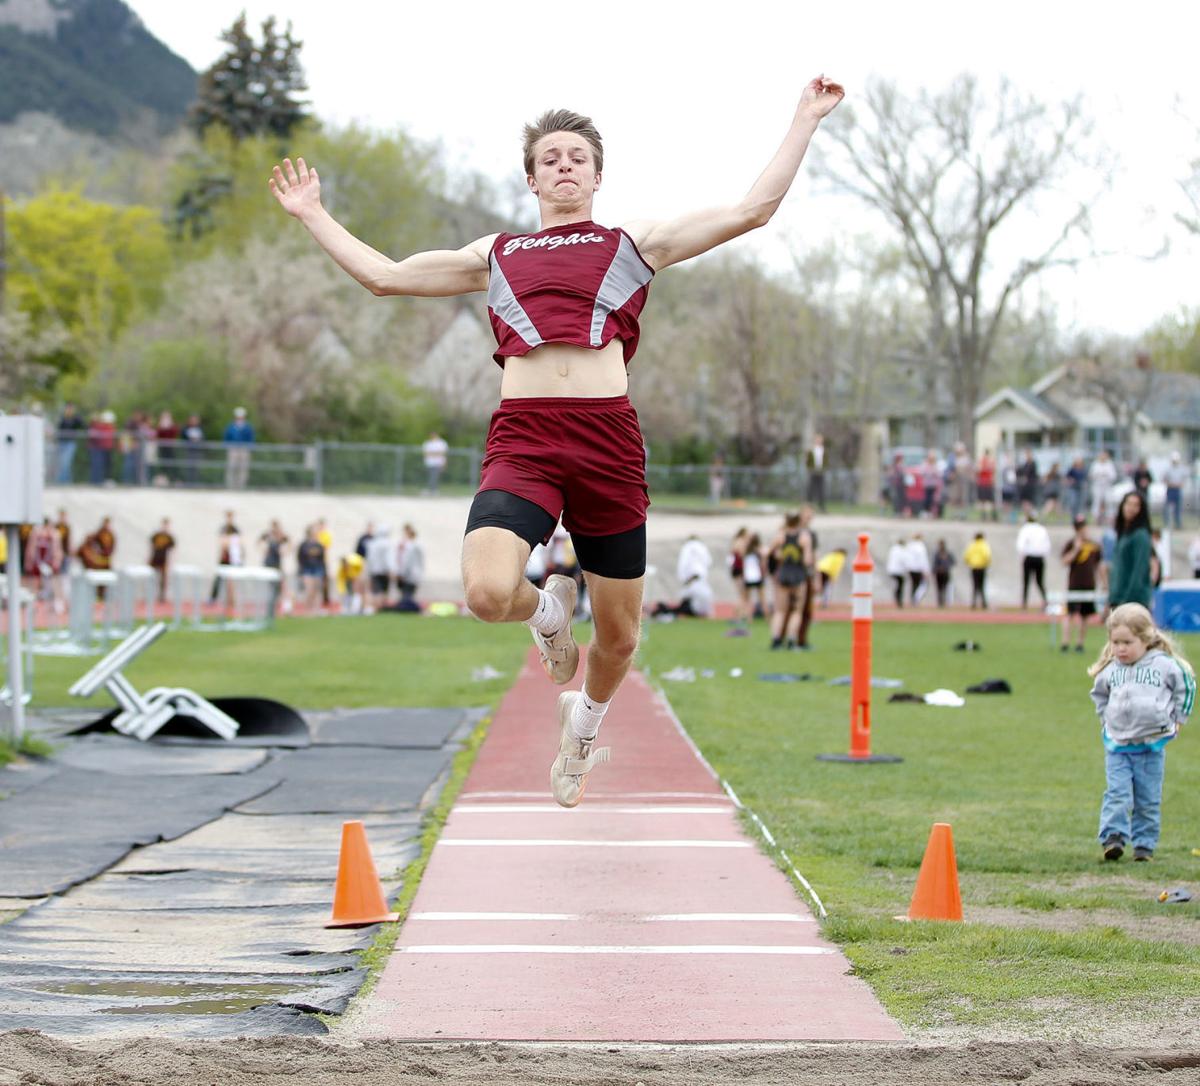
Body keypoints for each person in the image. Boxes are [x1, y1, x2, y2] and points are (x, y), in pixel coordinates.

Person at [269, 76, 845, 807]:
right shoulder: (498, 252)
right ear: (532, 177)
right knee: (484, 593)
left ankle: (583, 724)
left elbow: (752, 211)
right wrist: (314, 213)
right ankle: (547, 613)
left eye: (578, 156)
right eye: (551, 157)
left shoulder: (633, 244)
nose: (565, 165)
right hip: (526, 440)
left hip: (608, 443)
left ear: (598, 175)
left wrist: (803, 118)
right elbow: (385, 277)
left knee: (620, 637)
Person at [1088, 603, 1194, 862]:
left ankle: (1144, 846)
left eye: (1127, 642)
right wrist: (1106, 720)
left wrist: (1178, 719)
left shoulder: (1164, 665)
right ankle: (1113, 838)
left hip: (1151, 746)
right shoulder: (1111, 669)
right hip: (1118, 746)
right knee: (1117, 792)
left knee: (1148, 798)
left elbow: (1187, 686)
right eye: (1115, 642)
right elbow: (1099, 694)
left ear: (1145, 639)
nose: (1120, 649)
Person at [768, 511, 811, 648]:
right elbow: (807, 560)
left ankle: (776, 639)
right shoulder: (804, 537)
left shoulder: (780, 536)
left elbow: (770, 553)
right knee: (796, 611)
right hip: (798, 575)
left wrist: (779, 557)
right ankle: (792, 639)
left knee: (780, 610)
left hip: (783, 575)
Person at [1060, 516, 1103, 653]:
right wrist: (1076, 550)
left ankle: (1080, 643)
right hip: (1074, 584)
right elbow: (1064, 561)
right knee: (1069, 614)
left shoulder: (1094, 545)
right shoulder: (1071, 544)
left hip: (1089, 584)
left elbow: (1099, 565)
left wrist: (1104, 581)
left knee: (1085, 615)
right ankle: (1065, 642)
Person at [1108, 490, 1154, 611]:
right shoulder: (1123, 534)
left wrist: (1127, 601)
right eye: (1128, 503)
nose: (1131, 508)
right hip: (1118, 598)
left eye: (1136, 505)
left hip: (1132, 601)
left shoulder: (1140, 535)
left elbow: (1139, 570)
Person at [1016, 512, 1051, 609]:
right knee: (1040, 581)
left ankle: (1024, 603)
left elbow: (1020, 545)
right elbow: (1047, 545)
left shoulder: (1025, 529)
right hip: (1040, 558)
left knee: (1026, 581)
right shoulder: (1042, 529)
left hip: (1029, 557)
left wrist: (1022, 556)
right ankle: (1045, 600)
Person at [224, 407, 255, 489]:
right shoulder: (230, 426)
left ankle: (241, 486)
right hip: (233, 449)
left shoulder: (248, 427)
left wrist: (249, 447)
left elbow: (251, 438)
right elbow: (226, 437)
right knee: (231, 468)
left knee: (243, 469)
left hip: (244, 450)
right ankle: (230, 486)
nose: (240, 418)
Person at [297, 527, 326, 612]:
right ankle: (307, 609)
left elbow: (322, 560)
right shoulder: (303, 545)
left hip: (318, 569)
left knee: (317, 590)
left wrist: (324, 574)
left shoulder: (319, 545)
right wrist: (300, 572)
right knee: (309, 590)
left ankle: (316, 609)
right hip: (307, 569)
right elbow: (299, 559)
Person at [396, 523, 425, 612]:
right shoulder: (418, 545)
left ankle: (407, 609)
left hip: (409, 573)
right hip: (416, 573)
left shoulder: (410, 546)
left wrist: (402, 573)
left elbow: (407, 561)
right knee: (410, 593)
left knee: (406, 594)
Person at [55, 403, 86, 484]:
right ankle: (65, 481)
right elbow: (59, 428)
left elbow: (83, 426)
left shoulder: (75, 418)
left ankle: (63, 481)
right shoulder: (62, 417)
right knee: (62, 463)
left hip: (70, 443)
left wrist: (78, 418)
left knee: (66, 462)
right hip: (62, 442)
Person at [148, 518, 176, 603]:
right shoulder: (156, 535)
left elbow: (172, 549)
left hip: (164, 560)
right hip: (155, 558)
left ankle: (161, 596)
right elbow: (151, 546)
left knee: (163, 579)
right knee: (152, 577)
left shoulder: (169, 537)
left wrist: (170, 561)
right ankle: (150, 594)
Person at [1089, 450, 1118, 525]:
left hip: (1107, 486)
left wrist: (1106, 475)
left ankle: (1110, 518)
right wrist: (1099, 475)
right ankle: (1096, 518)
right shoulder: (1095, 464)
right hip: (1097, 486)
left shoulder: (1109, 464)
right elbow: (1091, 475)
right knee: (1096, 502)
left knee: (1109, 501)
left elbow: (1113, 476)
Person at [964, 531, 991, 609]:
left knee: (975, 586)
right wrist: (986, 563)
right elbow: (987, 555)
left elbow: (967, 556)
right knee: (982, 586)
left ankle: (973, 603)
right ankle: (984, 603)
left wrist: (969, 562)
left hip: (974, 567)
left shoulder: (972, 545)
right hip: (982, 567)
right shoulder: (984, 545)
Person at [905, 533, 930, 605]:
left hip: (911, 568)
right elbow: (923, 559)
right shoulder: (921, 546)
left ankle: (912, 599)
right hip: (918, 568)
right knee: (921, 585)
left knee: (913, 584)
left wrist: (907, 567)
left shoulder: (909, 546)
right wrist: (926, 570)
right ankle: (916, 599)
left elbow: (907, 557)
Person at [1163, 451, 1186, 531]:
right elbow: (1164, 480)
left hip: (1178, 490)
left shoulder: (1182, 469)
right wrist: (1170, 484)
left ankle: (1178, 524)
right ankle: (1167, 524)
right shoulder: (1168, 469)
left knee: (1178, 508)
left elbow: (1183, 480)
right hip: (1170, 490)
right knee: (1167, 507)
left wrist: (1179, 485)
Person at [806, 434, 827, 512]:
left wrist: (824, 468)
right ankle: (809, 507)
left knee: (821, 490)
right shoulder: (811, 450)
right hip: (813, 471)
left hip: (821, 472)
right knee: (810, 490)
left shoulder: (824, 450)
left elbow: (825, 460)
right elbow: (808, 461)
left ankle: (821, 507)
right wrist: (810, 468)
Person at [932, 539, 955, 608]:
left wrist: (946, 566)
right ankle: (940, 601)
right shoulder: (937, 553)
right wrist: (935, 570)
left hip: (945, 572)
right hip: (939, 573)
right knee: (939, 588)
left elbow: (953, 562)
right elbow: (934, 563)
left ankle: (944, 601)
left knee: (944, 587)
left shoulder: (948, 553)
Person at [975, 449, 997, 521]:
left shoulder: (990, 461)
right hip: (982, 483)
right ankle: (983, 515)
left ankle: (993, 515)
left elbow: (992, 471)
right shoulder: (982, 461)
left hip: (988, 483)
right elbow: (978, 470)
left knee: (991, 500)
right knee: (982, 500)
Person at [886, 536, 908, 608]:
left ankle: (897, 599)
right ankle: (899, 601)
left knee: (897, 585)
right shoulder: (902, 550)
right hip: (899, 571)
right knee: (900, 586)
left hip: (892, 570)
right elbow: (903, 561)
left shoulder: (893, 549)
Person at [1064, 456, 1088, 521]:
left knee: (1080, 504)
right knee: (1073, 502)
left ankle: (1080, 518)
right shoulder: (1072, 469)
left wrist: (1085, 484)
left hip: (1081, 488)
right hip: (1073, 488)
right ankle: (1073, 517)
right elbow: (1067, 478)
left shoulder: (1083, 469)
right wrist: (1070, 481)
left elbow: (1086, 478)